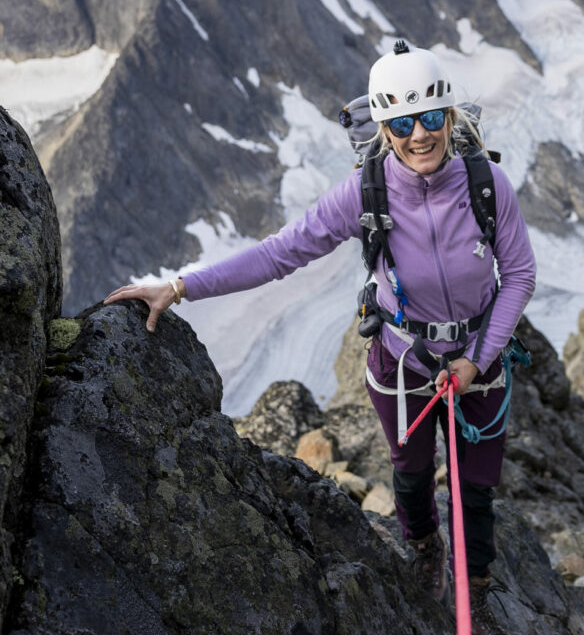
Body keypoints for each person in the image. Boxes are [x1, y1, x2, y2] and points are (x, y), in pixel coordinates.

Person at [105, 41, 536, 634]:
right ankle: (425, 549)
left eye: (431, 118)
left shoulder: (489, 186)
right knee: (410, 472)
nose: (419, 136)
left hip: (478, 364)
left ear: (450, 117)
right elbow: (280, 254)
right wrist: (179, 287)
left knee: (477, 490)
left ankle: (477, 593)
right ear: (383, 127)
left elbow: (518, 275)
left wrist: (476, 359)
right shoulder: (364, 194)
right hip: (402, 361)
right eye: (403, 123)